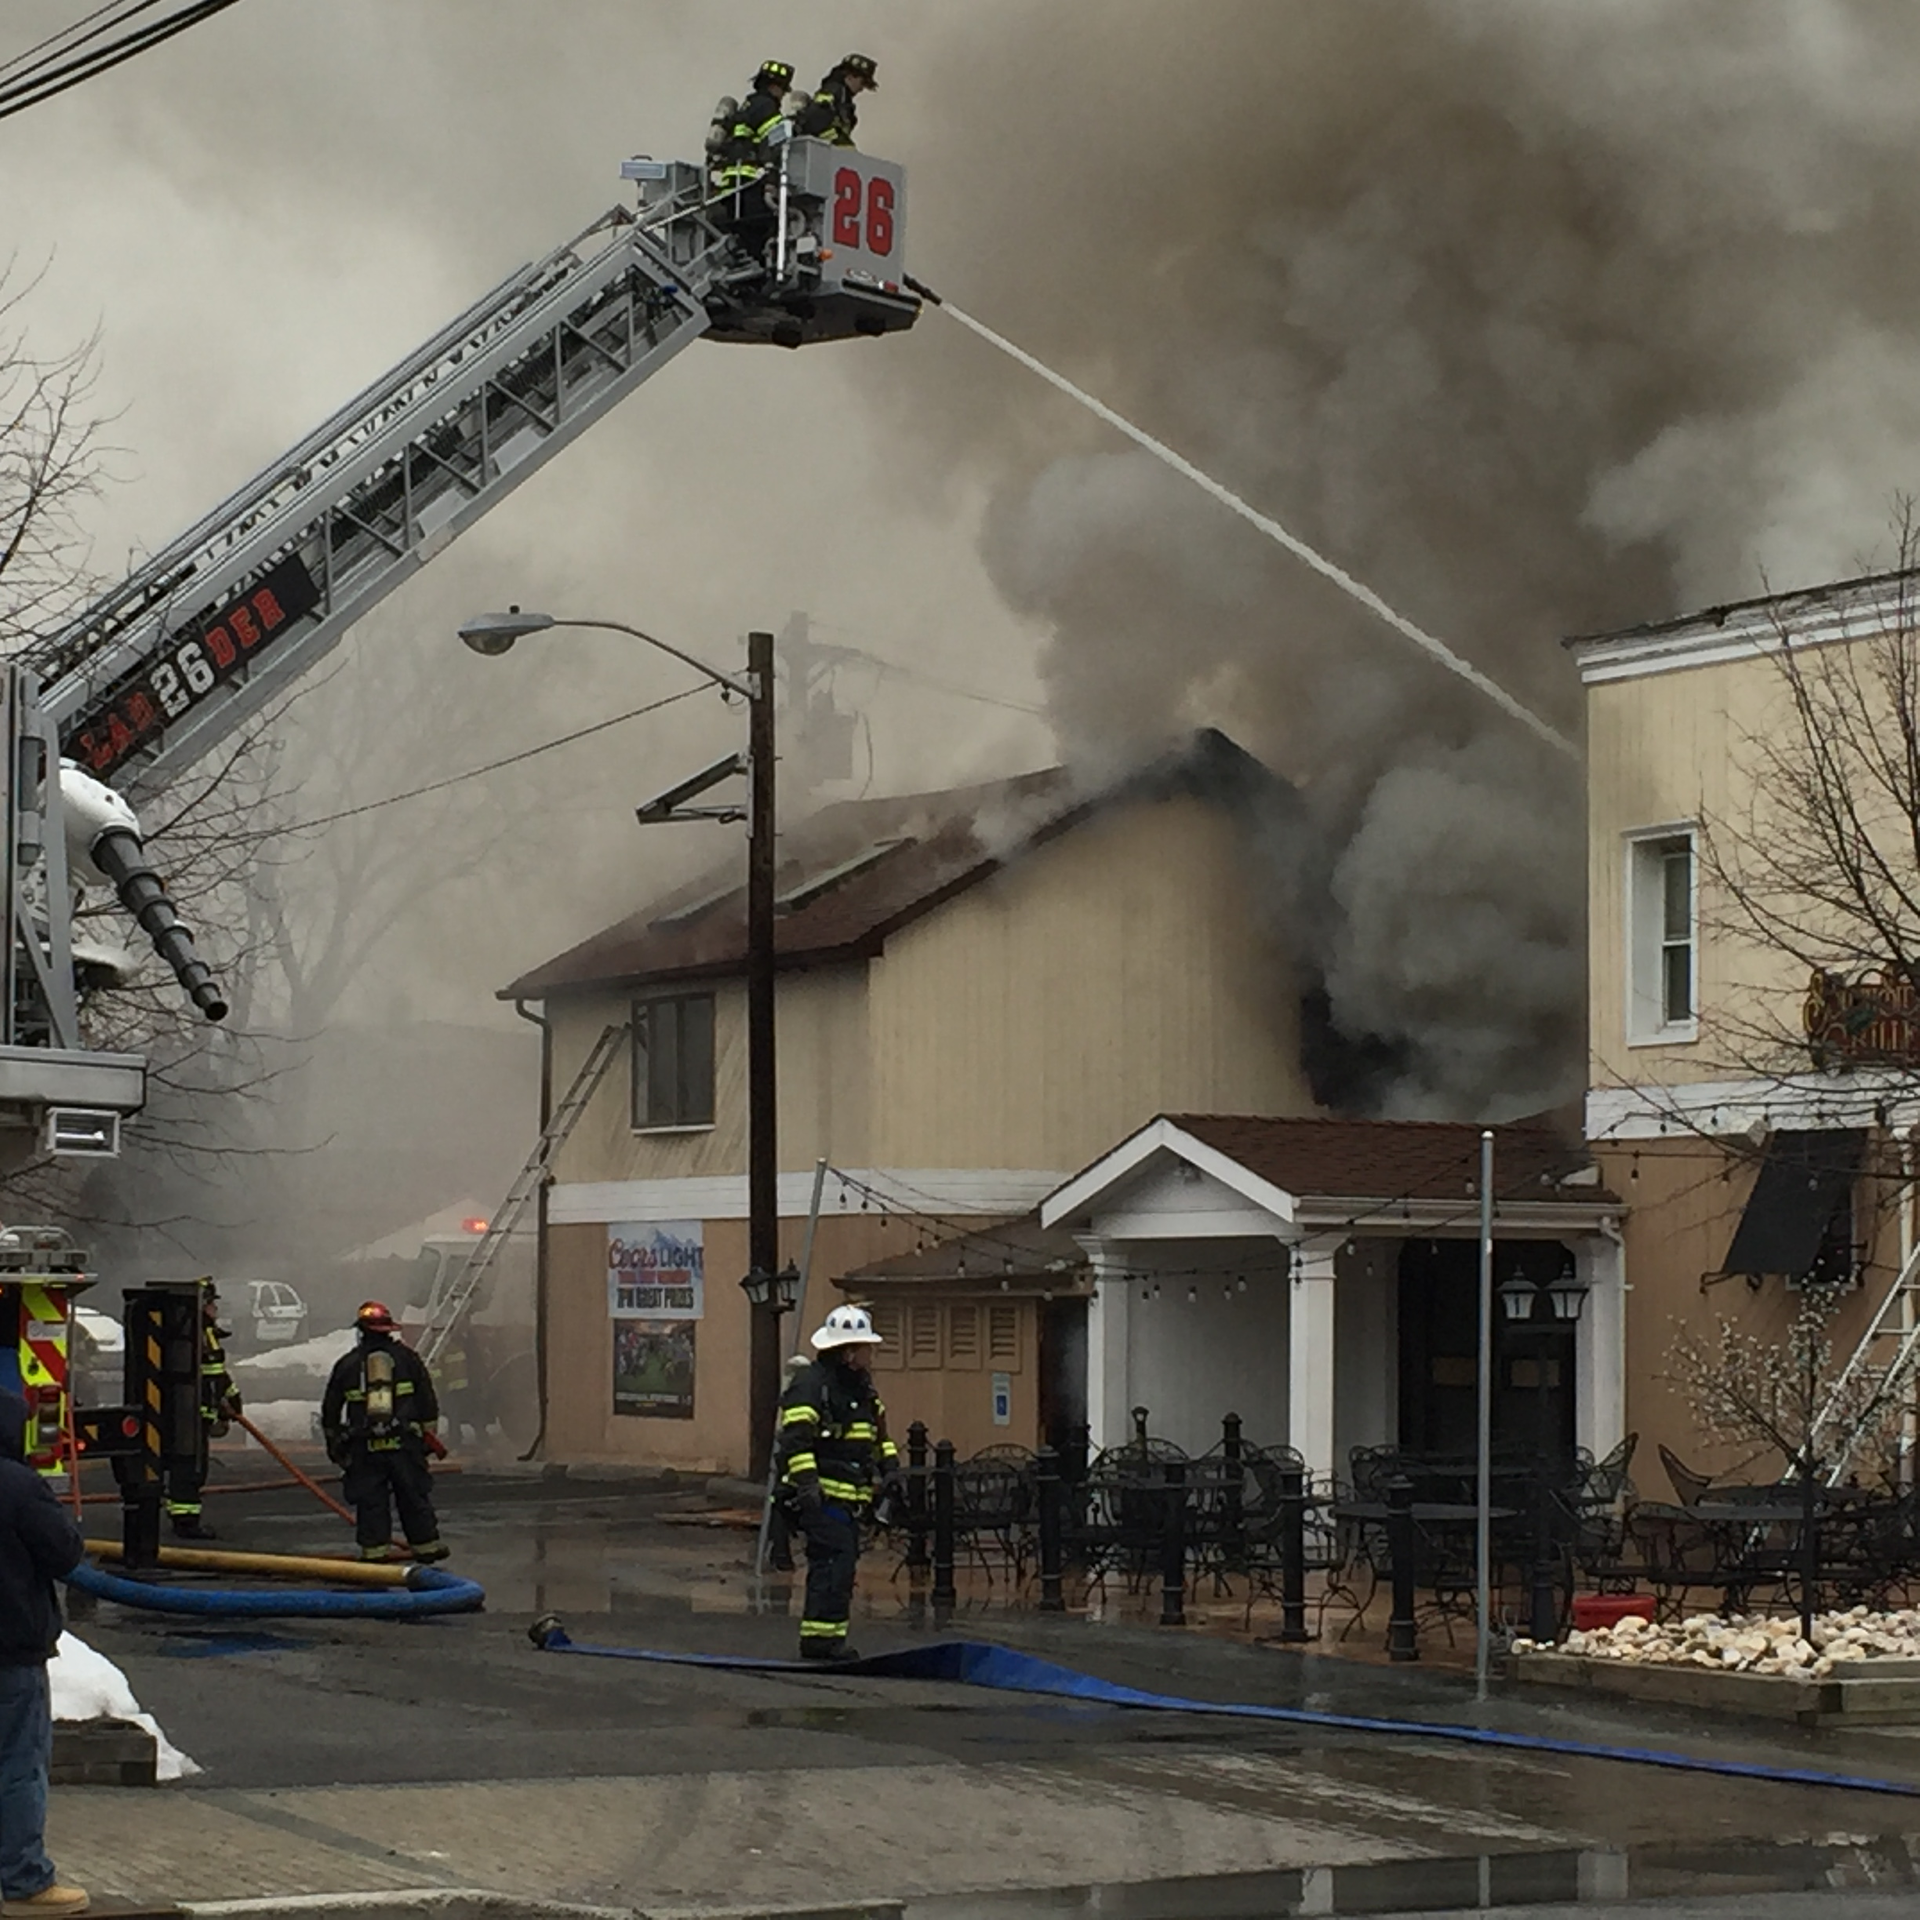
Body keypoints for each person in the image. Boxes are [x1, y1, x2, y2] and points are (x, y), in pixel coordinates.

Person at [0, 1391, 88, 1917]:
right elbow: (65, 1553)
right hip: (11, 1649)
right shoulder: (17, 1486)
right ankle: (24, 1882)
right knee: (17, 1765)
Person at [774, 1304, 902, 1660]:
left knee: (839, 1568)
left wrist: (891, 1468)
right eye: (865, 1348)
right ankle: (821, 1642)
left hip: (849, 1500)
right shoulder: (812, 1385)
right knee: (833, 1564)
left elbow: (879, 1437)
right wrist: (808, 1486)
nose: (869, 1355)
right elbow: (795, 1440)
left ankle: (826, 1638)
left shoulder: (864, 1391)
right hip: (821, 1498)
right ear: (848, 1352)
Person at [320, 1302, 449, 1565]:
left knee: (371, 1503)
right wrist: (426, 1438)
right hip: (404, 1445)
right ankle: (426, 1548)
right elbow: (427, 1401)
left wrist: (335, 1444)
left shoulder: (348, 1364)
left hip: (364, 1447)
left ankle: (375, 1554)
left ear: (362, 1331)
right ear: (389, 1330)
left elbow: (331, 1409)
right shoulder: (408, 1359)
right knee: (413, 1496)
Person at [165, 1282, 240, 1541]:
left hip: (193, 1414)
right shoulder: (196, 1334)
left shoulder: (195, 1332)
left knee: (189, 1467)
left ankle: (182, 1517)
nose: (215, 1308)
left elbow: (217, 1375)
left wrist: (231, 1398)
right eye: (211, 1303)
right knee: (190, 1468)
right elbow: (213, 1375)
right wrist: (227, 1401)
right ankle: (186, 1523)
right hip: (192, 1416)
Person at [712, 58, 796, 265]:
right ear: (774, 87)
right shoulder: (765, 106)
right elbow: (777, 142)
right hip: (750, 183)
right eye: (783, 90)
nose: (783, 95)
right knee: (760, 230)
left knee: (742, 230)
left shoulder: (747, 106)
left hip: (732, 184)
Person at [794, 53, 878, 148]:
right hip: (822, 151)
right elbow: (815, 119)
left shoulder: (844, 99)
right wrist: (840, 142)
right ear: (850, 77)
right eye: (862, 83)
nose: (861, 88)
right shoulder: (833, 91)